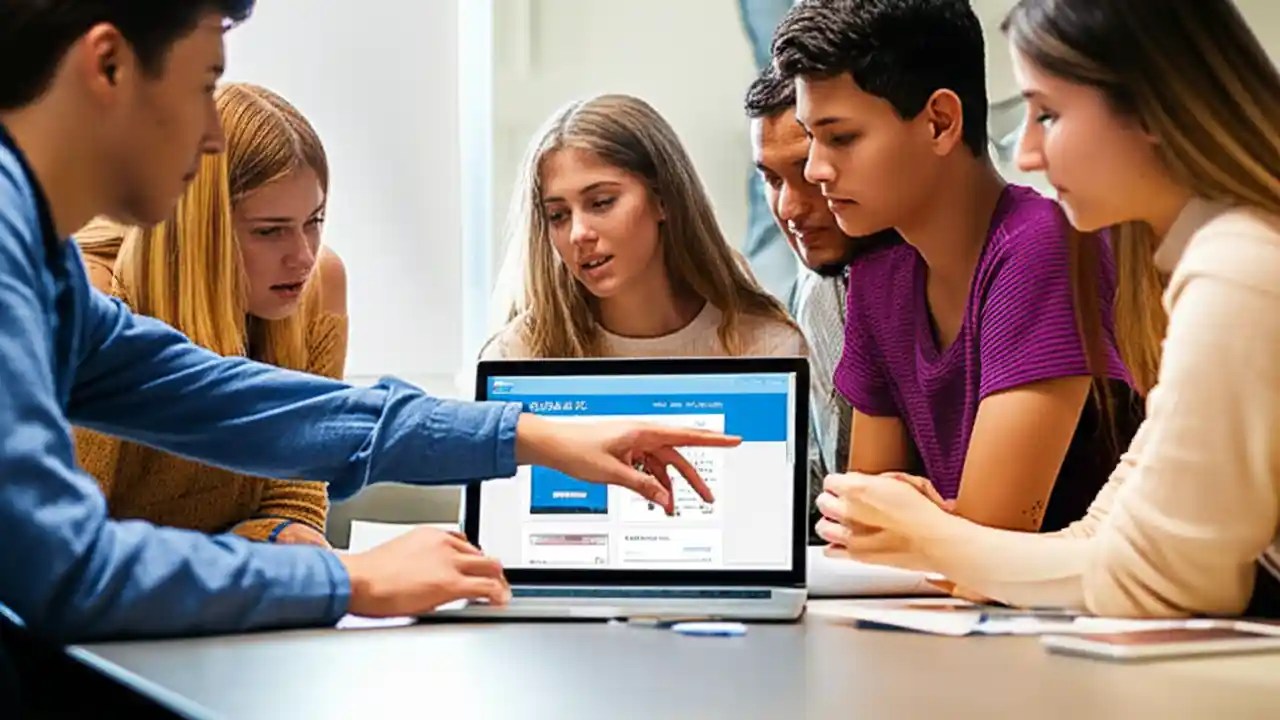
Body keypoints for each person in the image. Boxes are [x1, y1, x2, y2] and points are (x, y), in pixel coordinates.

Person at [0, 0, 738, 642]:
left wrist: (533, 437)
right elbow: (63, 567)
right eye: (203, 86)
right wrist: (345, 579)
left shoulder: (41, 264)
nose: (211, 136)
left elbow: (239, 402)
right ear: (108, 66)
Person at [817, 0, 1280, 619]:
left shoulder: (1241, 267)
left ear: (1150, 108)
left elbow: (1162, 580)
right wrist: (931, 534)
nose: (1028, 152)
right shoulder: (1221, 261)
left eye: (1050, 114)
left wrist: (929, 535)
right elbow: (1102, 541)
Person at [771, 0, 1145, 534]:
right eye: (812, 137)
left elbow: (992, 539)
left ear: (940, 123)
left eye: (842, 137)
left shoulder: (1041, 248)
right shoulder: (880, 274)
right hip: (947, 608)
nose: (816, 169)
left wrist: (914, 522)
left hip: (1078, 610)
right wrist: (915, 523)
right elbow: (860, 525)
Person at [73, 82, 344, 547]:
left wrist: (285, 539)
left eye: (313, 221)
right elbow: (69, 553)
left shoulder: (316, 287)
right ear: (201, 231)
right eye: (269, 231)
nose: (303, 257)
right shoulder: (93, 304)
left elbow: (293, 501)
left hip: (210, 602)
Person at [482, 93, 805, 361]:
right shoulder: (518, 356)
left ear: (662, 198)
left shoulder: (766, 347)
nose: (578, 233)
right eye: (558, 216)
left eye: (601, 202)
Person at [744, 68, 897, 541]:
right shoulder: (814, 287)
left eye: (807, 171)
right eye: (771, 179)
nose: (788, 209)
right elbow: (818, 488)